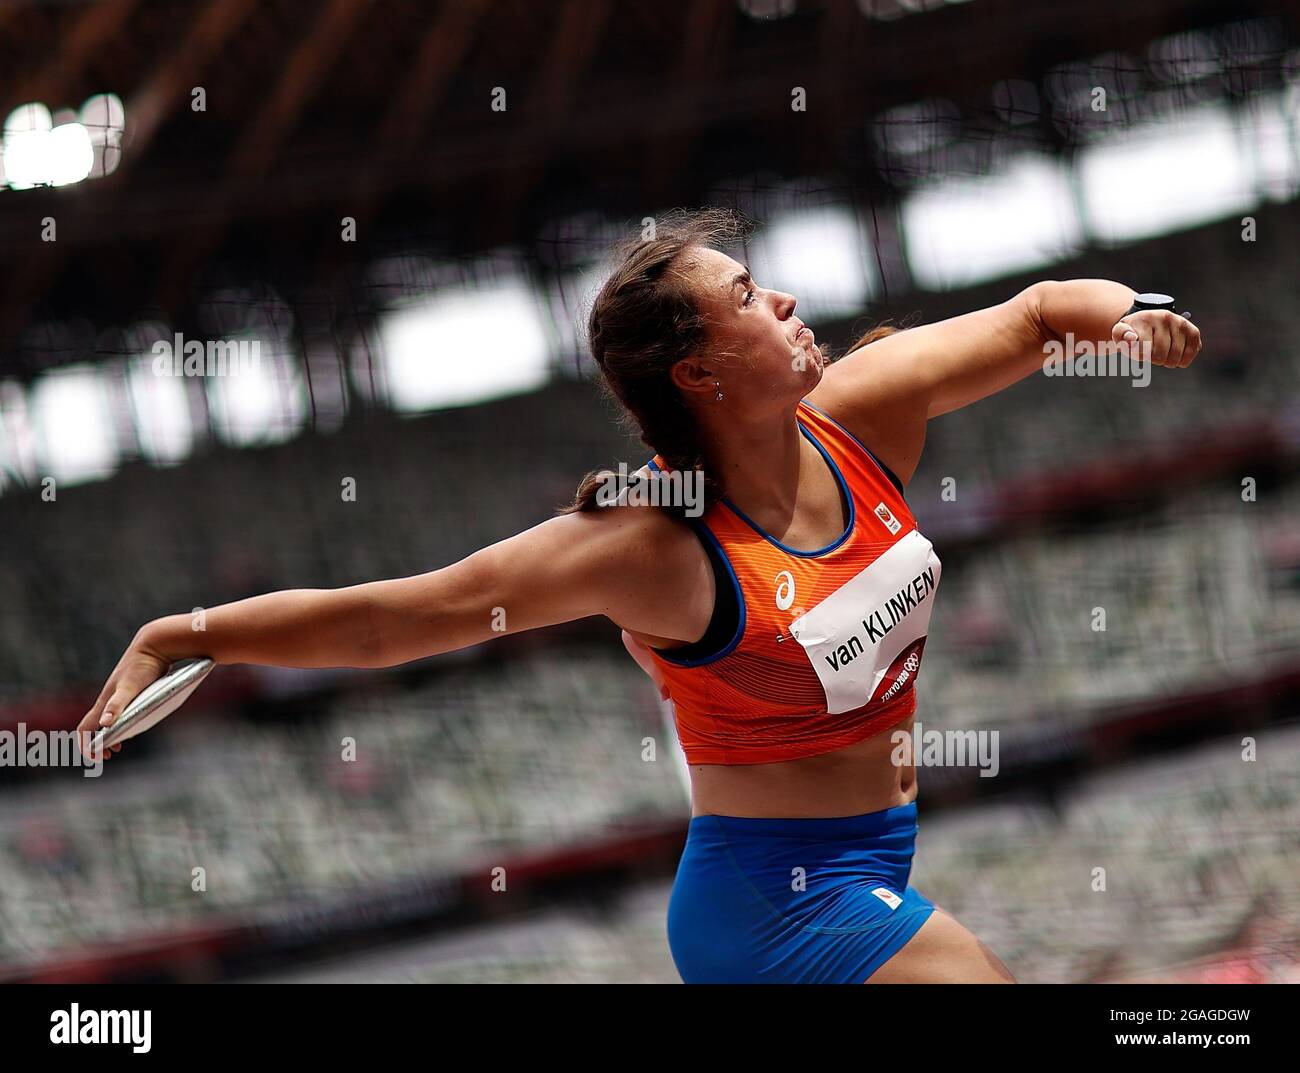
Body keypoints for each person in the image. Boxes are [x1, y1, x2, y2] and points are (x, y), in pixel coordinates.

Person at [77, 208, 1201, 983]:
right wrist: (189, 631)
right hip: (775, 906)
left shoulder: (862, 413)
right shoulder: (650, 546)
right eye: (752, 295)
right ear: (700, 374)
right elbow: (404, 612)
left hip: (875, 854)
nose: (793, 297)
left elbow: (1045, 311)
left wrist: (1129, 312)